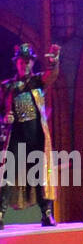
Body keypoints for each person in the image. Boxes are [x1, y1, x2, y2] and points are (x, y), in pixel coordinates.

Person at [0, 42, 61, 227]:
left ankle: (47, 213)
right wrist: (4, 118)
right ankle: (0, 213)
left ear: (32, 63)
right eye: (21, 61)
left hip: (36, 136)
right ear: (16, 63)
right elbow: (1, 111)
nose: (24, 64)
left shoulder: (37, 81)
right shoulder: (7, 87)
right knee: (7, 175)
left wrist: (54, 63)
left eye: (27, 61)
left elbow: (52, 76)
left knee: (40, 174)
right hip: (16, 137)